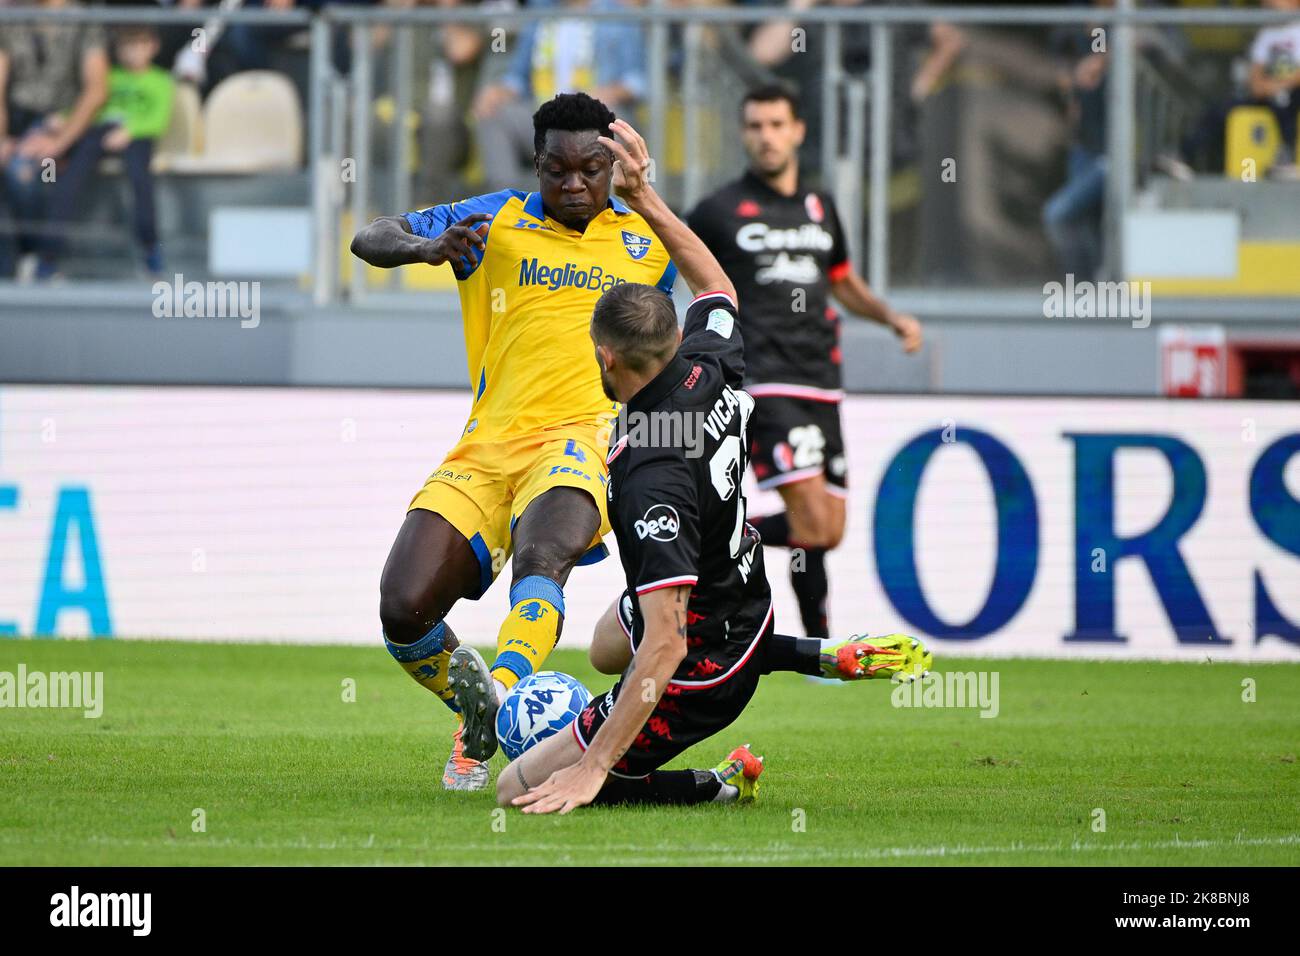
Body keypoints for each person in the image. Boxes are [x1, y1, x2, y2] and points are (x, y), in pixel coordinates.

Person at [496, 118, 931, 814]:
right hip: (743, 596)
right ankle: (812, 654)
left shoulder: (649, 472)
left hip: (702, 671)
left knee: (516, 785)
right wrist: (645, 198)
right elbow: (716, 283)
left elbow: (666, 644)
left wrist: (595, 764)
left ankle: (718, 783)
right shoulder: (710, 361)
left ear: (606, 357)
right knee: (608, 643)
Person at [349, 92, 676, 792]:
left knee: (544, 552)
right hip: (486, 447)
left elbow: (703, 313)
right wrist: (425, 247)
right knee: (402, 608)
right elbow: (369, 236)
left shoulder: (650, 242)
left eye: (591, 169)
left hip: (582, 439)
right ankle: (479, 716)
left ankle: (499, 699)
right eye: (557, 169)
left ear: (612, 165)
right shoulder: (490, 219)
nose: (574, 184)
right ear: (536, 163)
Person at [684, 85, 921, 643]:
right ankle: (823, 649)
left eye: (775, 124)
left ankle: (720, 536)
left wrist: (890, 318)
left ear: (797, 131)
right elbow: (677, 261)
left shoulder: (820, 207)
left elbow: (841, 281)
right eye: (755, 126)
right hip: (763, 380)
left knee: (827, 531)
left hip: (822, 381)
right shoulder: (719, 211)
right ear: (745, 134)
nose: (765, 136)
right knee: (812, 519)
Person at [38, 25, 174, 279]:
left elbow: (159, 120)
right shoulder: (111, 77)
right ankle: (48, 254)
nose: (132, 53)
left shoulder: (162, 80)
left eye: (139, 46)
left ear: (153, 47)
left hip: (137, 136)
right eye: (126, 47)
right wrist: (66, 120)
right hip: (102, 131)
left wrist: (130, 131)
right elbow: (93, 107)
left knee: (140, 181)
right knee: (69, 178)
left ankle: (150, 248)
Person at [471, 0, 646, 191]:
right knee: (494, 115)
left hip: (593, 115)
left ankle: (607, 214)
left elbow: (639, 80)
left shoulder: (617, 14)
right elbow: (518, 76)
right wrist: (499, 91)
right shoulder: (537, 11)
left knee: (614, 122)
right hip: (543, 115)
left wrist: (608, 92)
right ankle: (505, 208)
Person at [0, 0, 108, 280]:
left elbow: (96, 90)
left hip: (65, 125)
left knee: (30, 173)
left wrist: (58, 141)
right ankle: (32, 260)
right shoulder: (11, 17)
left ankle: (40, 258)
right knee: (18, 170)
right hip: (20, 124)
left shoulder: (85, 20)